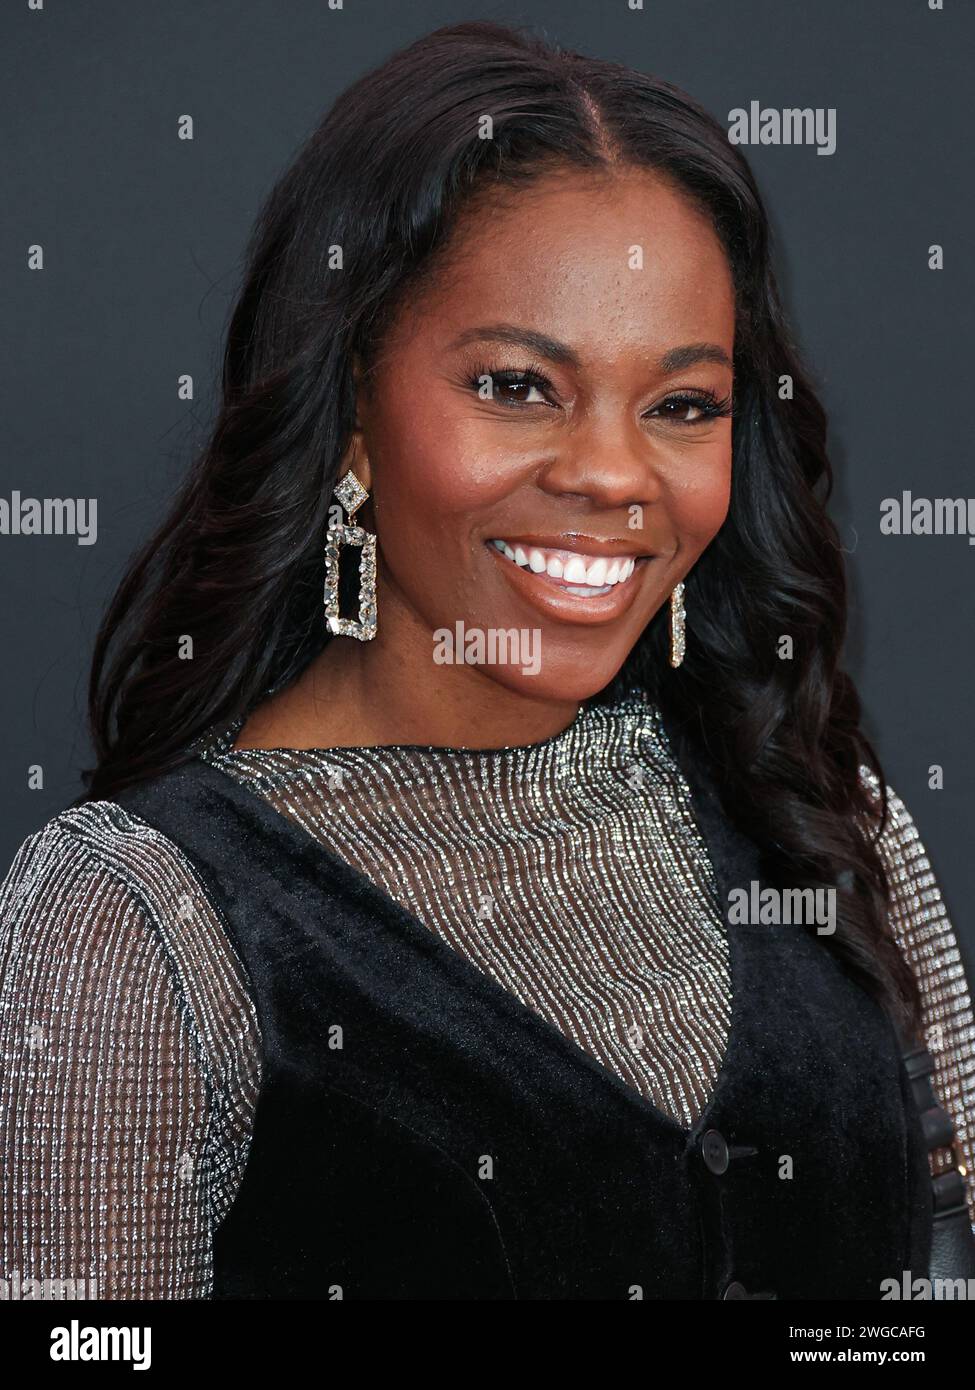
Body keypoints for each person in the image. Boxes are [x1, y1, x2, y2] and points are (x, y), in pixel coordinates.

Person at [2, 20, 973, 1301]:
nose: (614, 476)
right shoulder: (137, 918)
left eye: (683, 405)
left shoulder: (825, 823)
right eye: (519, 386)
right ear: (352, 409)